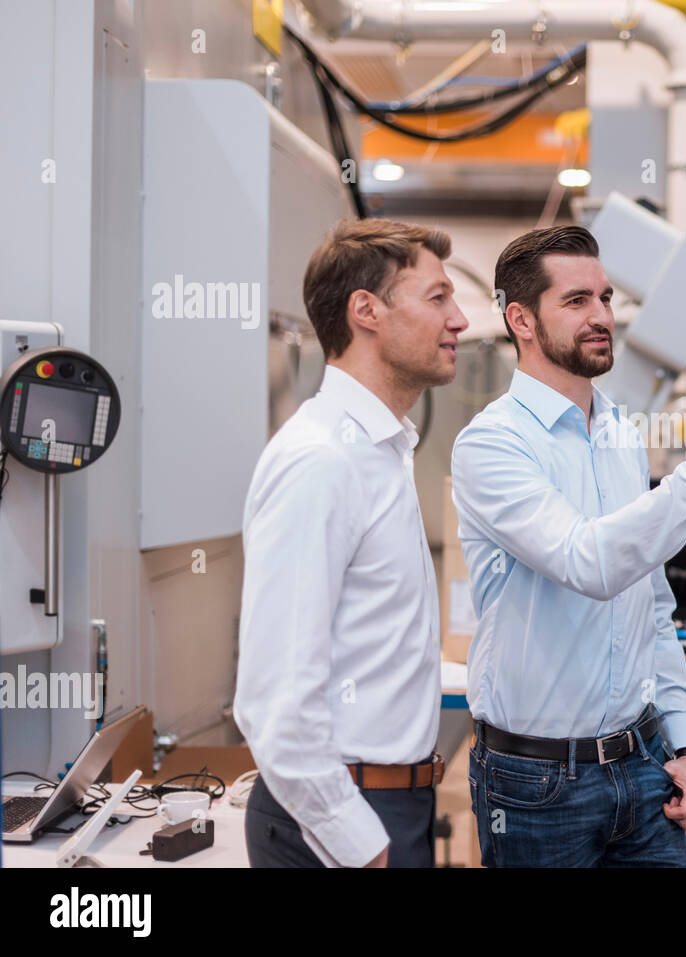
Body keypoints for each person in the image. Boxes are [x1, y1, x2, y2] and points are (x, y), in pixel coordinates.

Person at [451, 225, 686, 866]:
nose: (601, 317)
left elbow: (648, 600)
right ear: (521, 320)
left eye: (605, 297)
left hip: (642, 766)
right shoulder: (492, 445)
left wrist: (683, 743)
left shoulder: (619, 431)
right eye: (575, 302)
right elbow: (588, 562)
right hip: (537, 787)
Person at [234, 218, 468, 867]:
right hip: (340, 821)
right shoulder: (322, 461)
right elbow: (275, 698)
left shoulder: (378, 453)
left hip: (390, 806)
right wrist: (357, 842)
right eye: (438, 297)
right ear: (365, 310)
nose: (461, 321)